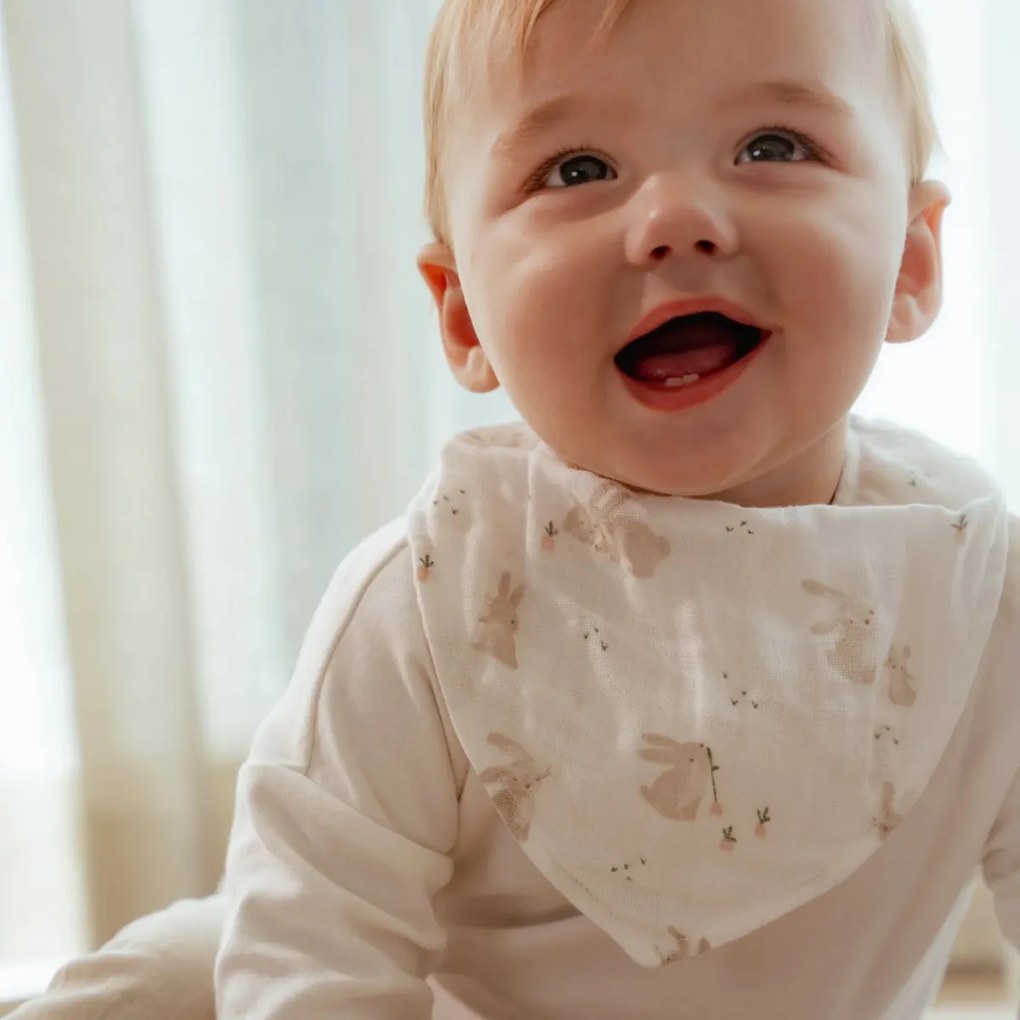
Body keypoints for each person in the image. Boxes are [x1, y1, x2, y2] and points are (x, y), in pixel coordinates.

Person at [14, 0, 1020, 1017]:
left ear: (911, 260)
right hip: (405, 984)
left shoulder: (980, 591)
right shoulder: (427, 603)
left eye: (772, 144)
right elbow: (317, 954)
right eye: (579, 170)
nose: (675, 221)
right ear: (463, 315)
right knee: (152, 983)